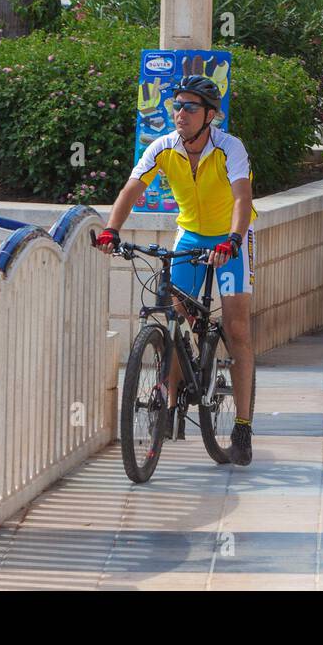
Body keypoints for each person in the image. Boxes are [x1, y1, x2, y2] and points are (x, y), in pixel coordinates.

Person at [94, 76, 258, 465]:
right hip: (190, 236)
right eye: (177, 106)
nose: (180, 114)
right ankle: (170, 402)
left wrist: (233, 239)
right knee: (172, 310)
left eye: (189, 107)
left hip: (230, 237)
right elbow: (132, 188)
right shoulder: (163, 147)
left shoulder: (229, 148)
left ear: (210, 116)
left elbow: (242, 196)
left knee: (236, 327)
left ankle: (243, 426)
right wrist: (111, 230)